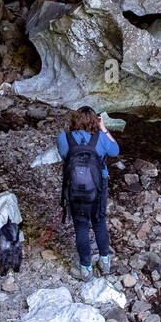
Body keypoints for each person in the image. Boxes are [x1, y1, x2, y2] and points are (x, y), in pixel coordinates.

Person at [57, 106, 120, 280]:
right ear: (95, 121)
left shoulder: (64, 138)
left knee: (81, 225)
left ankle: (85, 268)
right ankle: (105, 262)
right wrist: (104, 128)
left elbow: (64, 157)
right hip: (98, 186)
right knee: (99, 221)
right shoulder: (101, 137)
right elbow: (115, 151)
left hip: (74, 187)